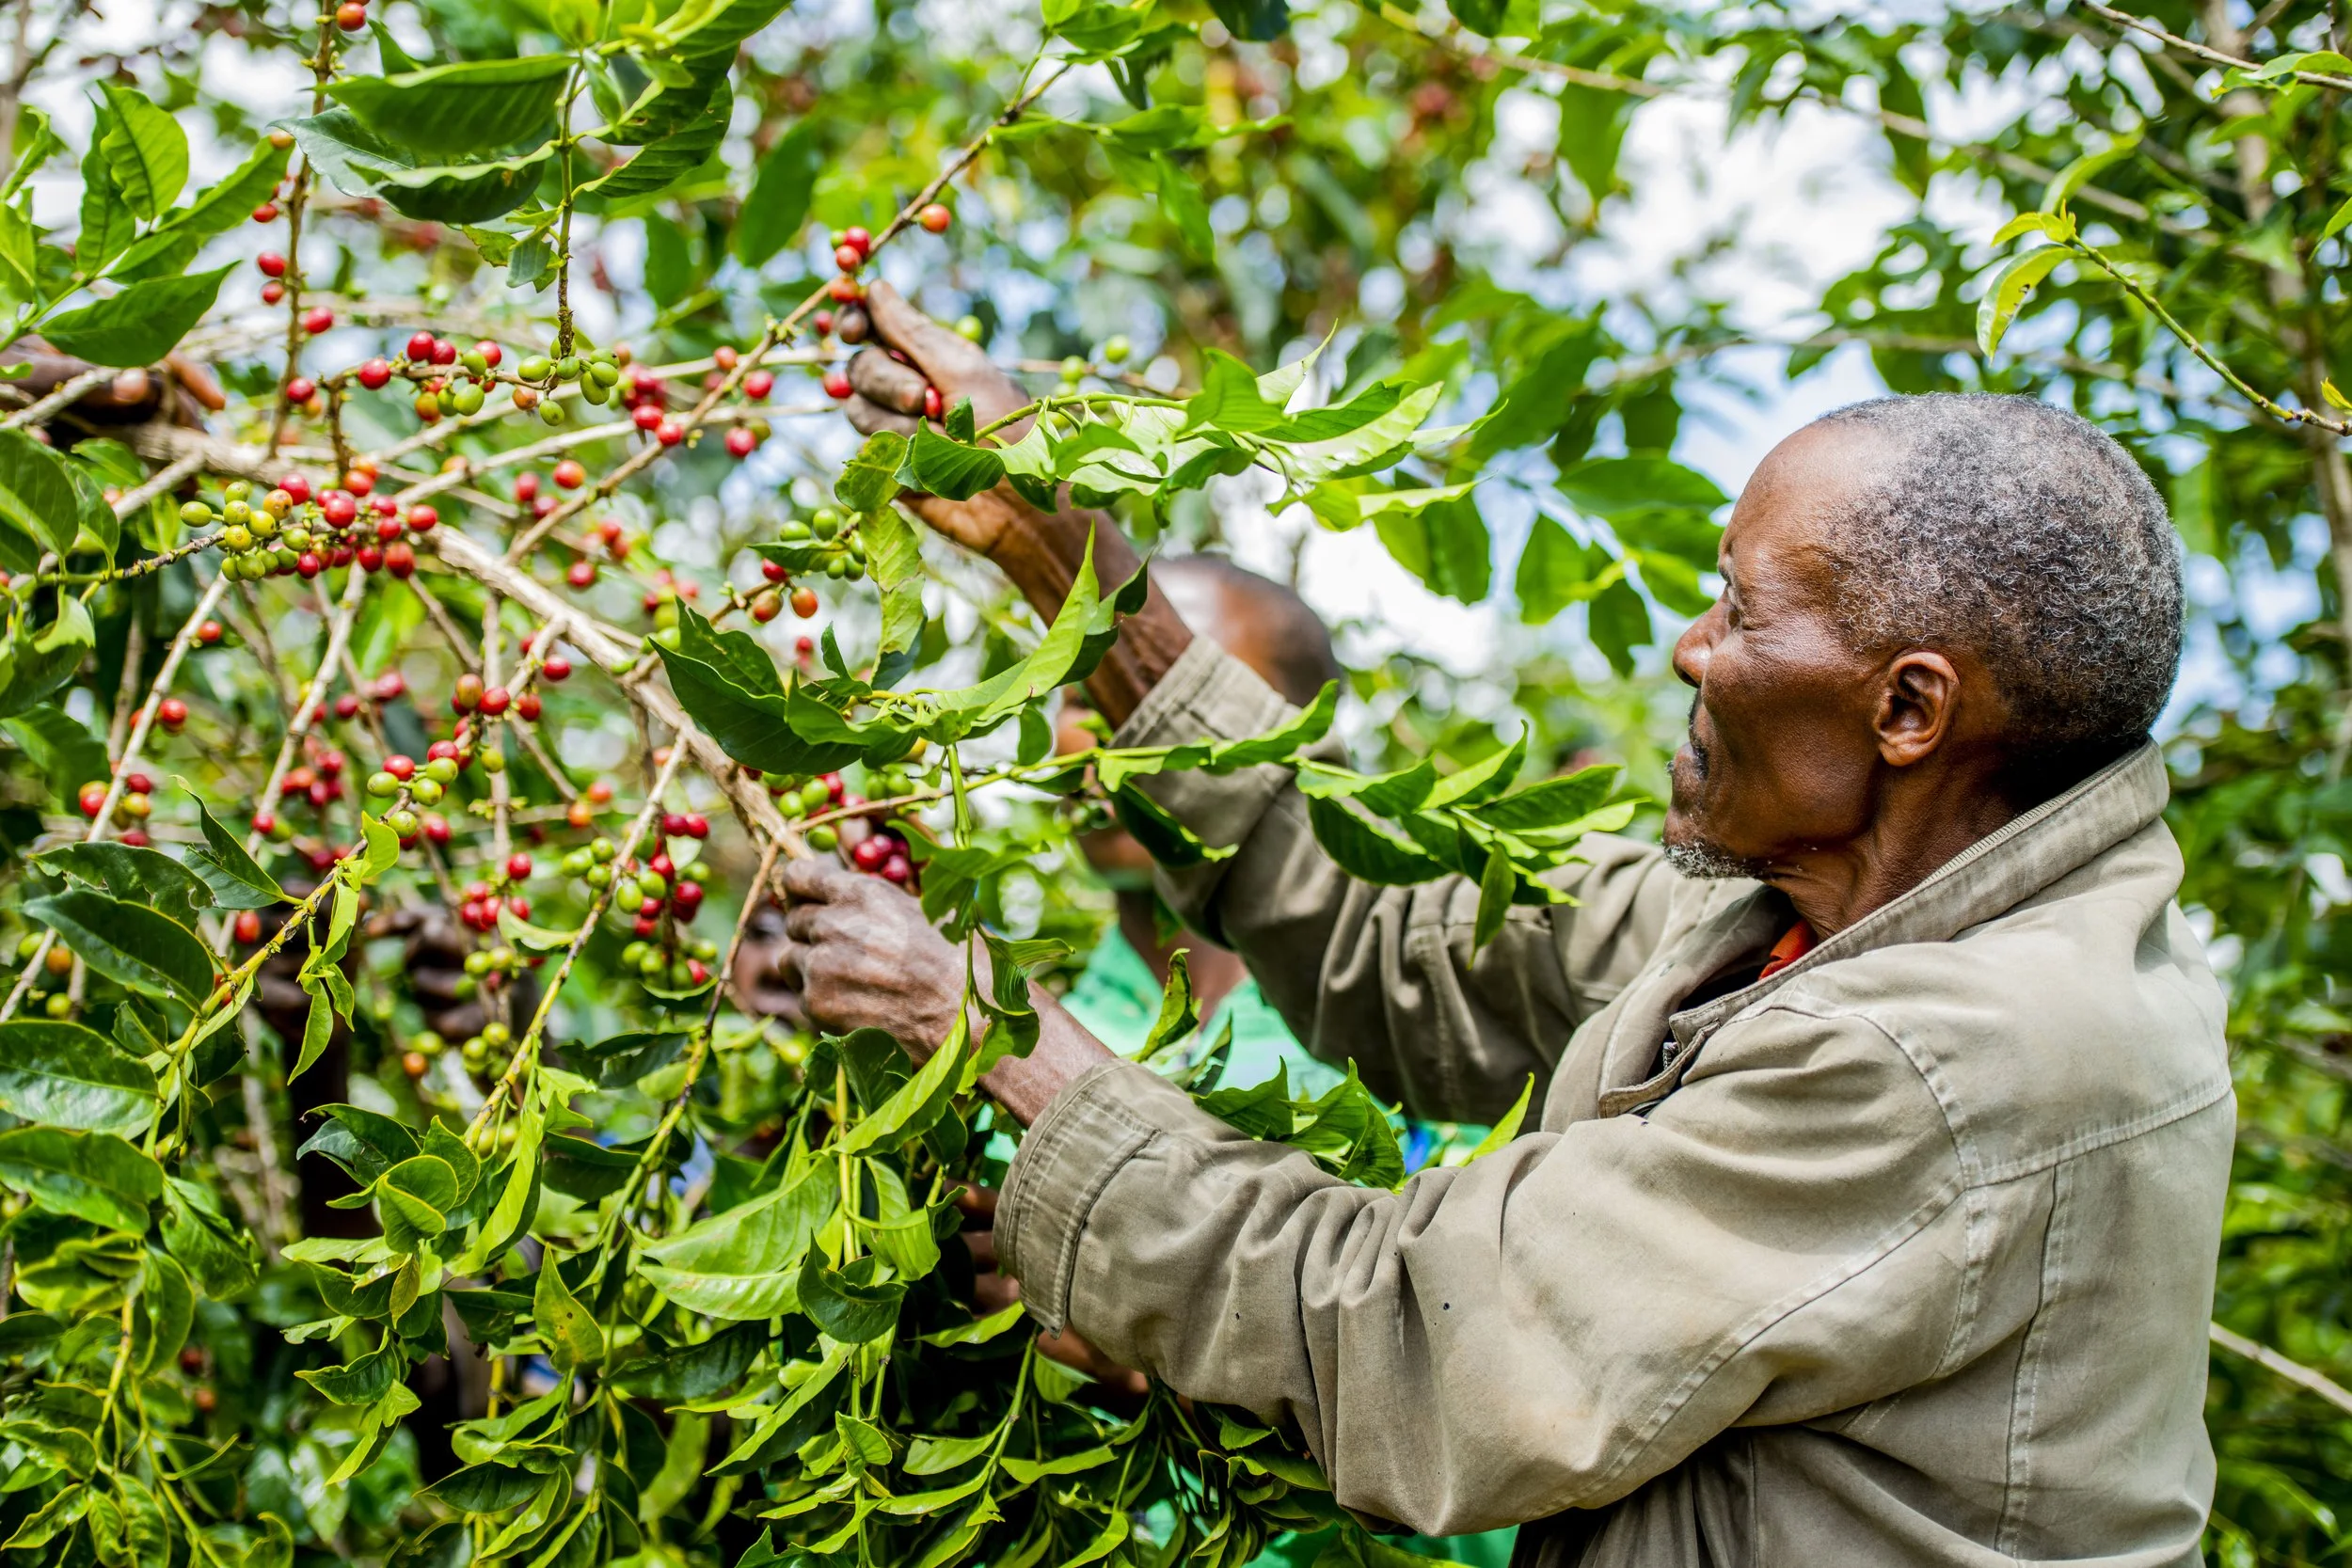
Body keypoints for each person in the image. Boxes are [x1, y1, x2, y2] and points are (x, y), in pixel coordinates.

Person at [767, 284, 2229, 1567]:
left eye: (1736, 608)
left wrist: (980, 1026)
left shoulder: (1952, 1056)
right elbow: (1402, 928)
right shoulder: (1813, 905)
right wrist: (1059, 547)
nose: (1690, 648)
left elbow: (1414, 1330)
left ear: (1906, 708)